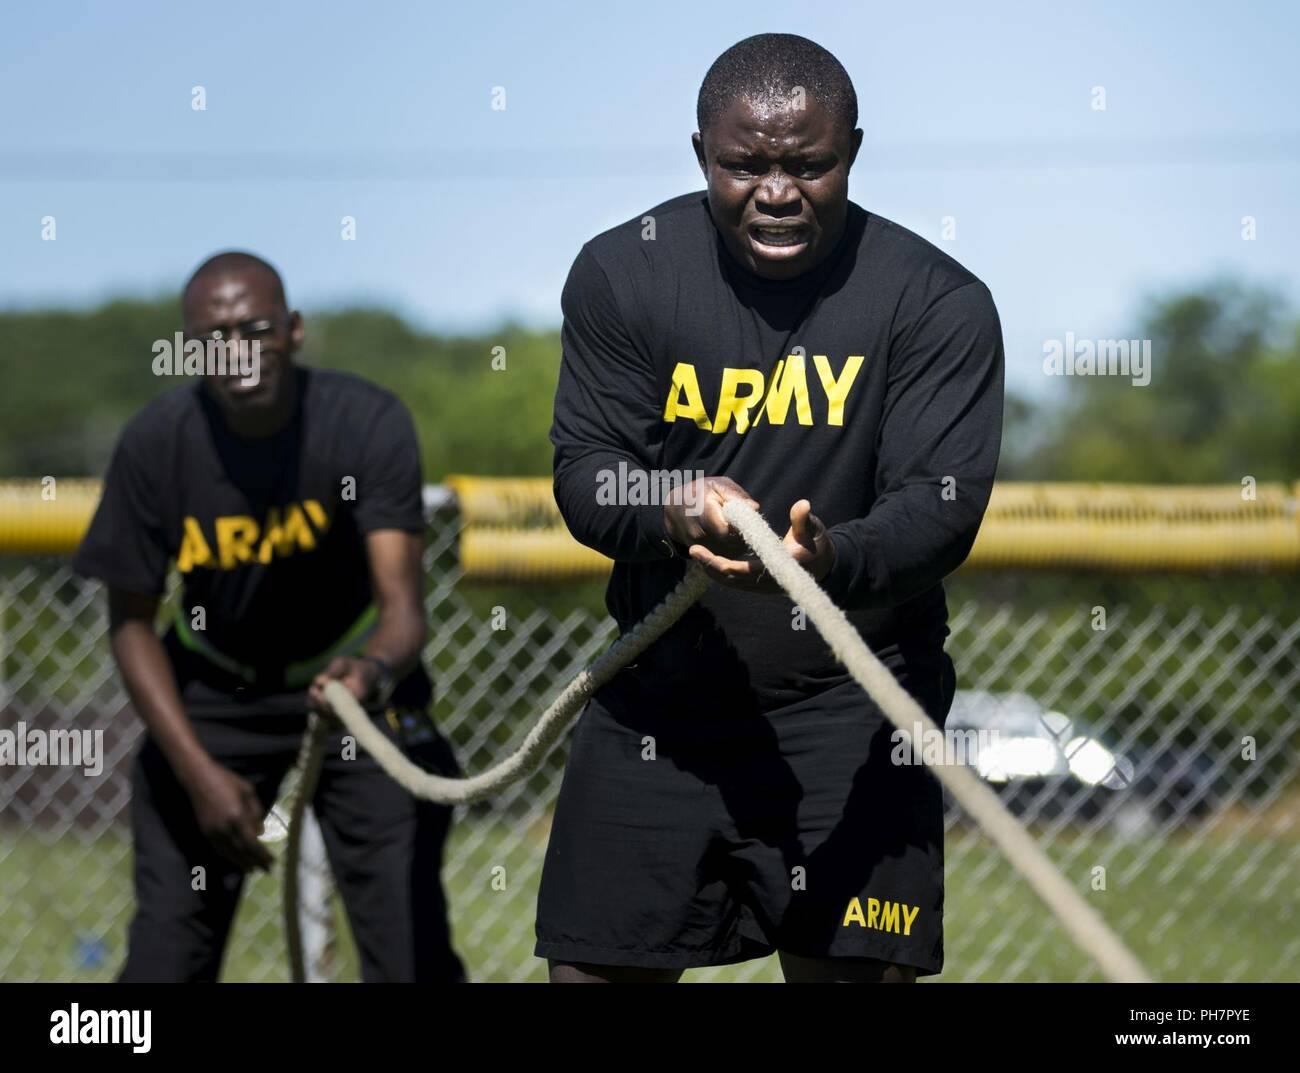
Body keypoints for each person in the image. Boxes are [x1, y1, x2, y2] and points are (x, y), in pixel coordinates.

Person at [538, 33, 1004, 983]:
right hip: (654, 709)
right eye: (745, 164)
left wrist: (828, 557)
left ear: (855, 151)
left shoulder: (937, 302)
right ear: (702, 152)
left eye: (809, 163)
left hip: (857, 712)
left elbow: (940, 508)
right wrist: (671, 505)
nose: (777, 190)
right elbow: (588, 473)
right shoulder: (624, 274)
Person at [74, 251, 465, 982]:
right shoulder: (156, 445)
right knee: (163, 962)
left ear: (292, 330)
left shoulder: (364, 421)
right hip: (213, 692)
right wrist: (197, 773)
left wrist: (371, 671)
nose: (238, 351)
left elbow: (404, 612)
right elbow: (129, 624)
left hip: (352, 683)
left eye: (255, 328)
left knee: (411, 952)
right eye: (214, 336)